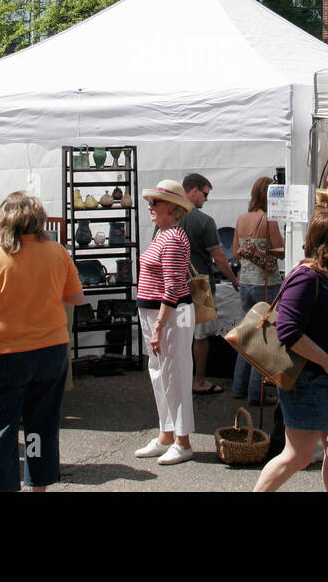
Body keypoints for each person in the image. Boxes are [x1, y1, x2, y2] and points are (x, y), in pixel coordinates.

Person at [0, 191, 83, 492]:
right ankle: (39, 486)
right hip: (51, 349)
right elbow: (76, 297)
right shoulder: (57, 252)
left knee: (1, 427)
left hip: (5, 352)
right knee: (42, 425)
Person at [254, 210, 328, 492]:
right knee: (298, 454)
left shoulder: (327, 276)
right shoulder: (306, 278)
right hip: (310, 384)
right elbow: (288, 331)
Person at [133, 179, 198, 465]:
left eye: (155, 202)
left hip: (170, 315)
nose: (150, 206)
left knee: (175, 374)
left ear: (171, 208)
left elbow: (172, 288)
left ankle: (182, 440)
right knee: (161, 373)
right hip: (161, 313)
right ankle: (167, 435)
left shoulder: (172, 238)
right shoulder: (164, 234)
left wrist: (158, 326)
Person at [180, 172, 240, 396]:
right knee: (201, 336)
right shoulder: (203, 220)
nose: (206, 199)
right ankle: (199, 380)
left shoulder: (169, 216)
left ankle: (180, 379)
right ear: (194, 190)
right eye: (205, 194)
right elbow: (220, 257)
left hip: (175, 285)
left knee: (180, 335)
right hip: (200, 286)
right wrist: (234, 280)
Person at [232, 175, 284, 403]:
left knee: (247, 334)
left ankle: (239, 386)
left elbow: (236, 253)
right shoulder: (268, 219)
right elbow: (281, 249)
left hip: (245, 282)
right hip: (266, 282)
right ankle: (257, 392)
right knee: (263, 337)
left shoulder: (241, 218)